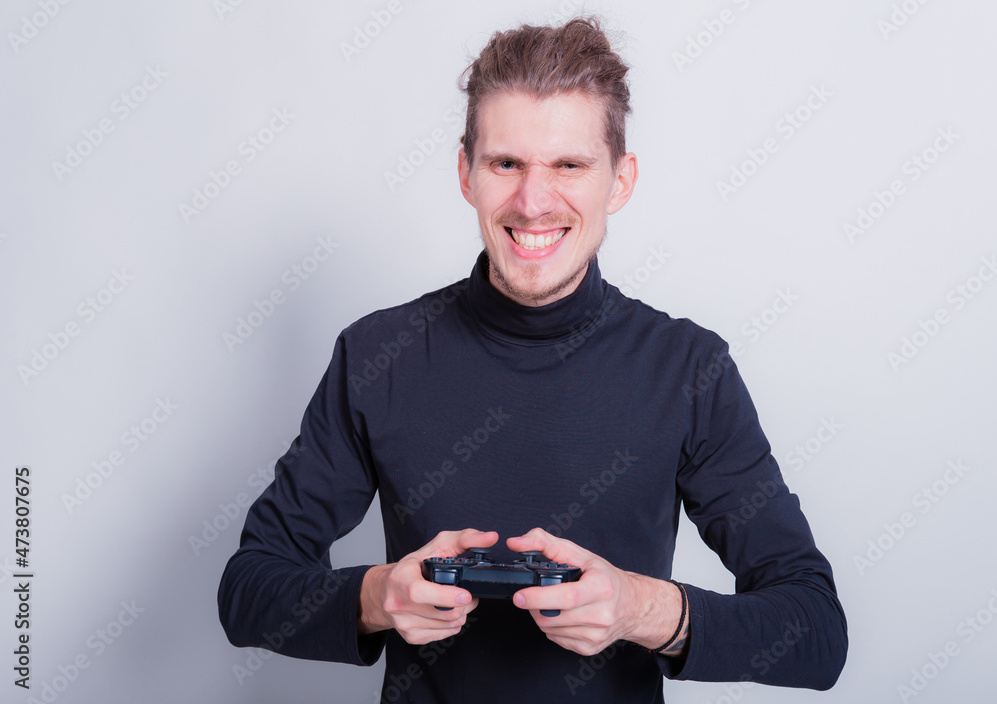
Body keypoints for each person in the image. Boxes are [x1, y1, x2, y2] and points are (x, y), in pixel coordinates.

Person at [218, 16, 848, 703]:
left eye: (570, 165)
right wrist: (376, 595)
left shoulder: (689, 369)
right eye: (506, 163)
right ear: (466, 173)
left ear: (620, 181)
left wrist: (641, 609)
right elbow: (248, 590)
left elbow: (815, 632)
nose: (533, 201)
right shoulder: (377, 356)